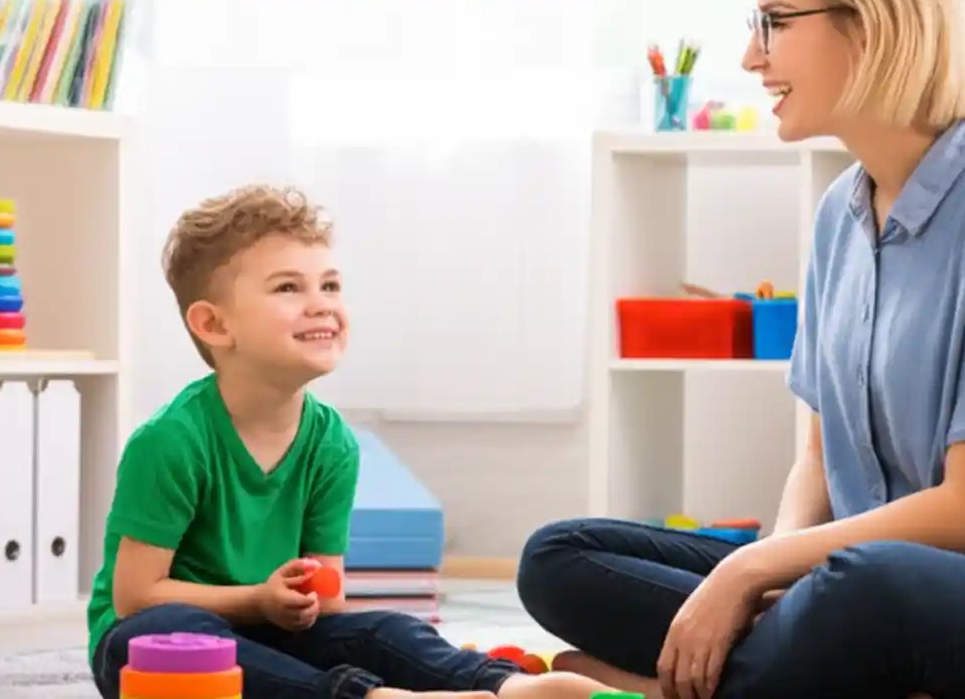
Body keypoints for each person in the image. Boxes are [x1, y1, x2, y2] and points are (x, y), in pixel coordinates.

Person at [516, 0, 965, 698]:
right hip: (845, 584)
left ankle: (662, 689)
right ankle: (794, 669)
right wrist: (768, 579)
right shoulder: (839, 214)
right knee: (558, 557)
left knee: (862, 589)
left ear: (874, 25)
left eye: (775, 24)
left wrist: (753, 569)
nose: (750, 56)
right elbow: (819, 455)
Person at [85, 185, 620, 699]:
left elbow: (329, 597)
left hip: (268, 634)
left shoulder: (332, 442)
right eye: (288, 288)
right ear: (214, 324)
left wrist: (298, 604)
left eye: (331, 286)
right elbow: (136, 598)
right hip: (159, 648)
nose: (320, 304)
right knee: (168, 631)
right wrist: (256, 600)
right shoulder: (172, 439)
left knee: (383, 630)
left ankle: (510, 686)